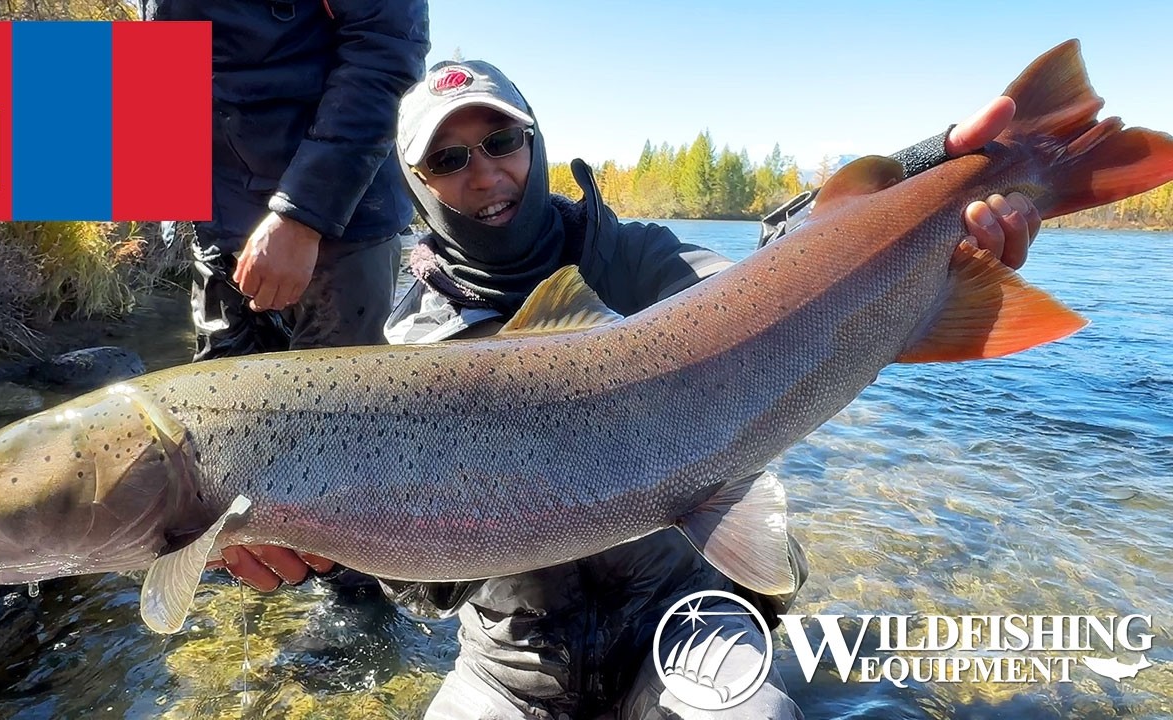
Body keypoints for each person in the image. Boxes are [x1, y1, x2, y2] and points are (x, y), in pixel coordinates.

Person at [224, 60, 1042, 719]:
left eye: (500, 139)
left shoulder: (637, 255)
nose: (484, 171)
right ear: (420, 187)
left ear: (534, 142)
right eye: (448, 159)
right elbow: (432, 586)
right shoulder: (405, 346)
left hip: (683, 617)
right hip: (516, 667)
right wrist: (325, 544)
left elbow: (771, 291)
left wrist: (926, 175)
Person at [140, 1, 428, 582]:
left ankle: (350, 599)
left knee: (338, 444)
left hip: (336, 227)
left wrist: (302, 214)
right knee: (219, 447)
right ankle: (243, 593)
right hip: (215, 219)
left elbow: (385, 50)